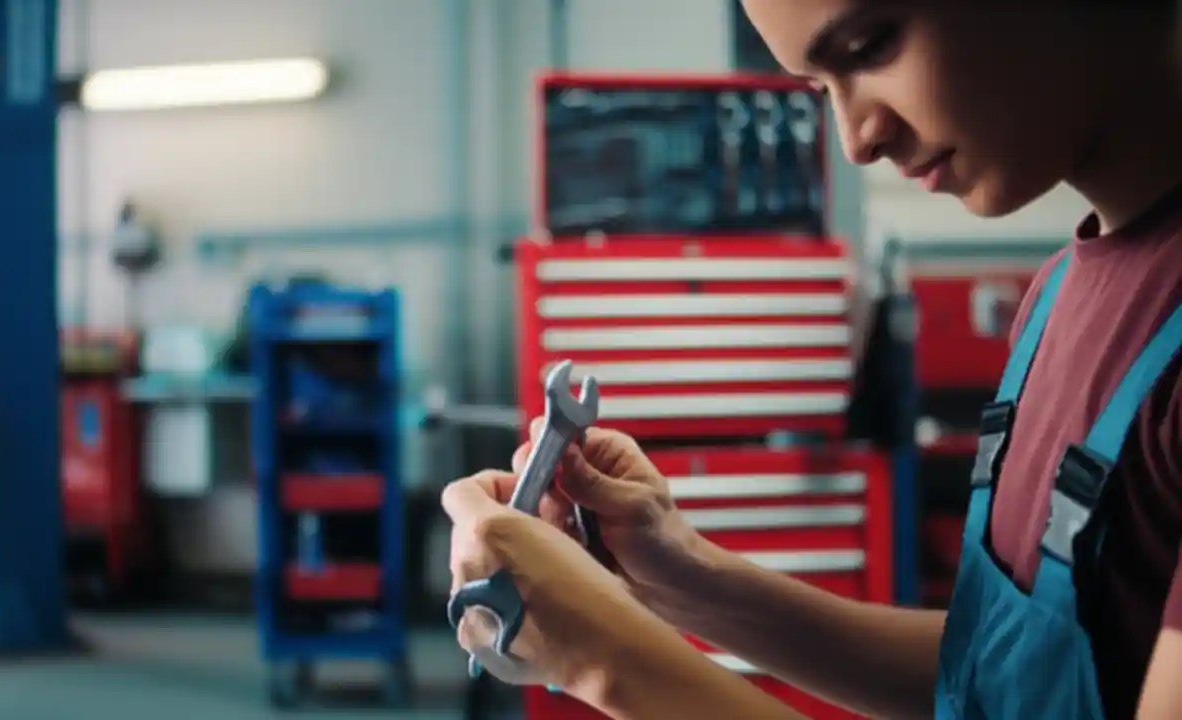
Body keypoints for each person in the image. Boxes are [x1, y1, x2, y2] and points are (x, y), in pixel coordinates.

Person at [442, 2, 1182, 718]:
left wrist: (607, 663)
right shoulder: (1059, 293)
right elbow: (1007, 683)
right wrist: (681, 577)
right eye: (818, 86)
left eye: (870, 47)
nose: (856, 140)